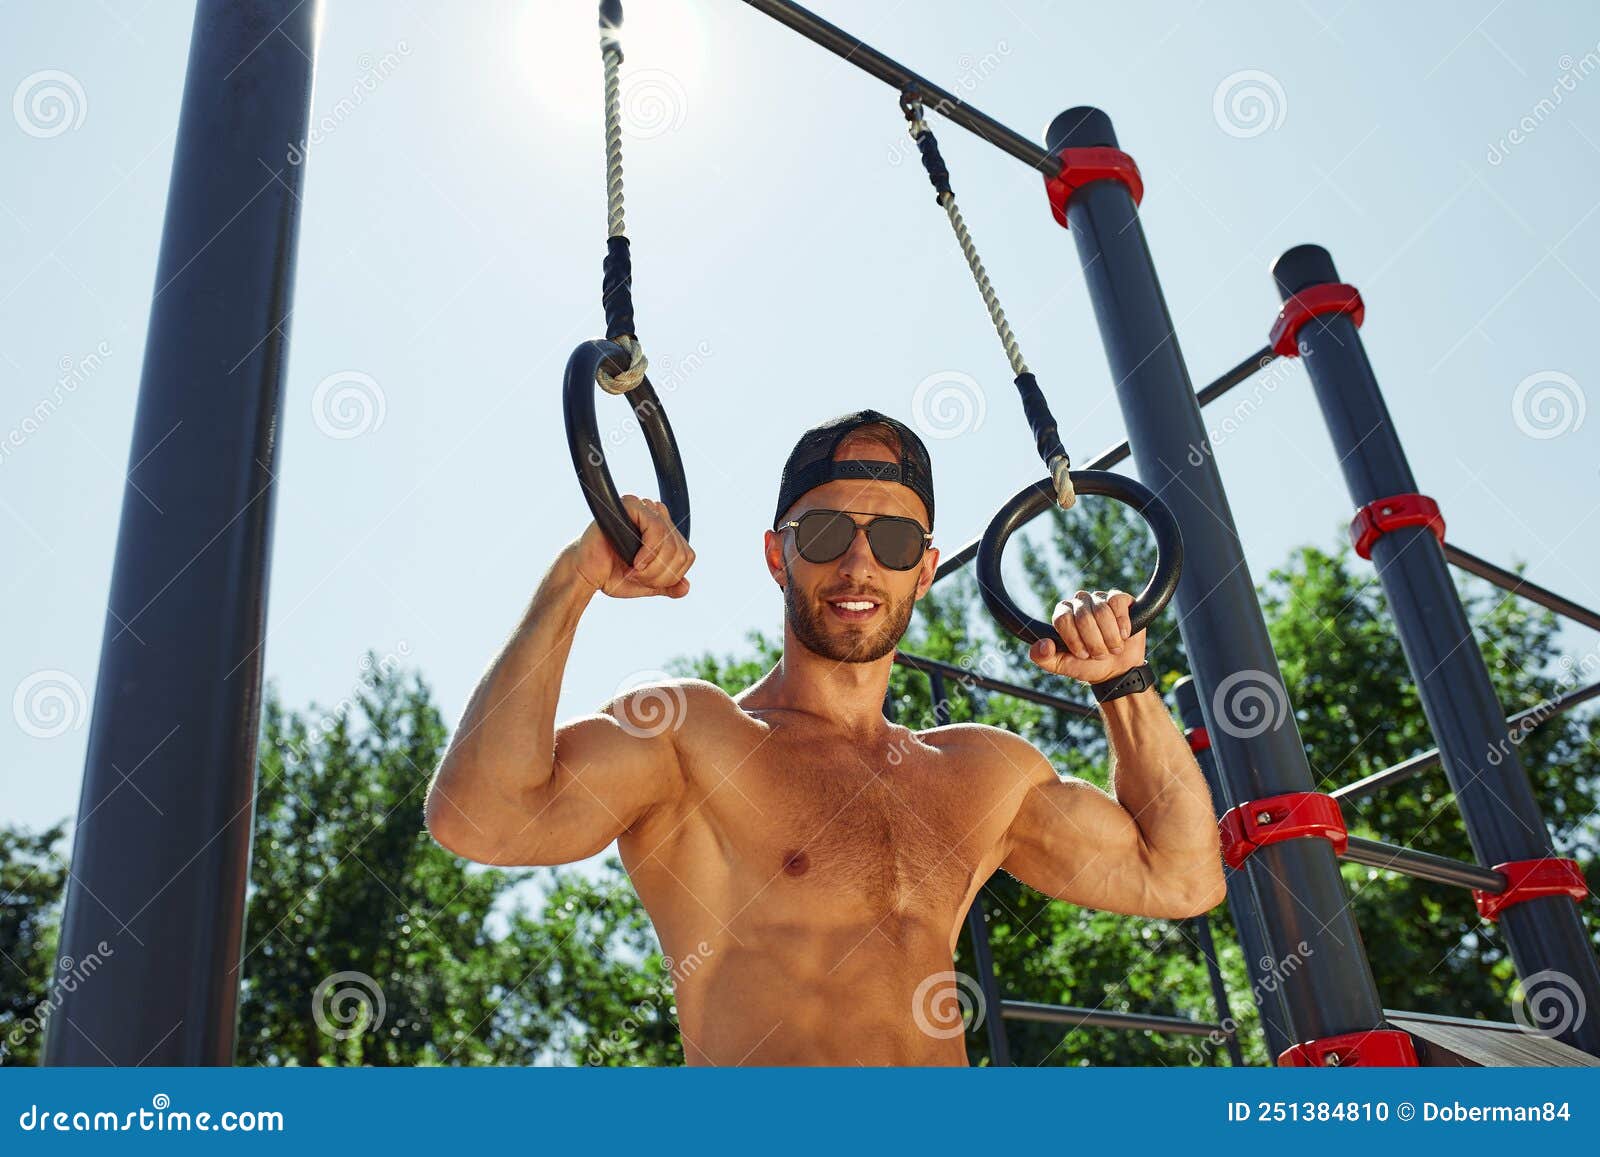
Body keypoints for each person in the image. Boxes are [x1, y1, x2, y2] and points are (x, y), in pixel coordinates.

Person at [425, 409, 1225, 1066]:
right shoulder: (693, 738)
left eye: (896, 542)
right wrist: (577, 575)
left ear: (925, 568)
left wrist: (1125, 682)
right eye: (824, 534)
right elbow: (482, 815)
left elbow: (1183, 876)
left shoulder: (983, 774)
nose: (858, 563)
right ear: (778, 555)